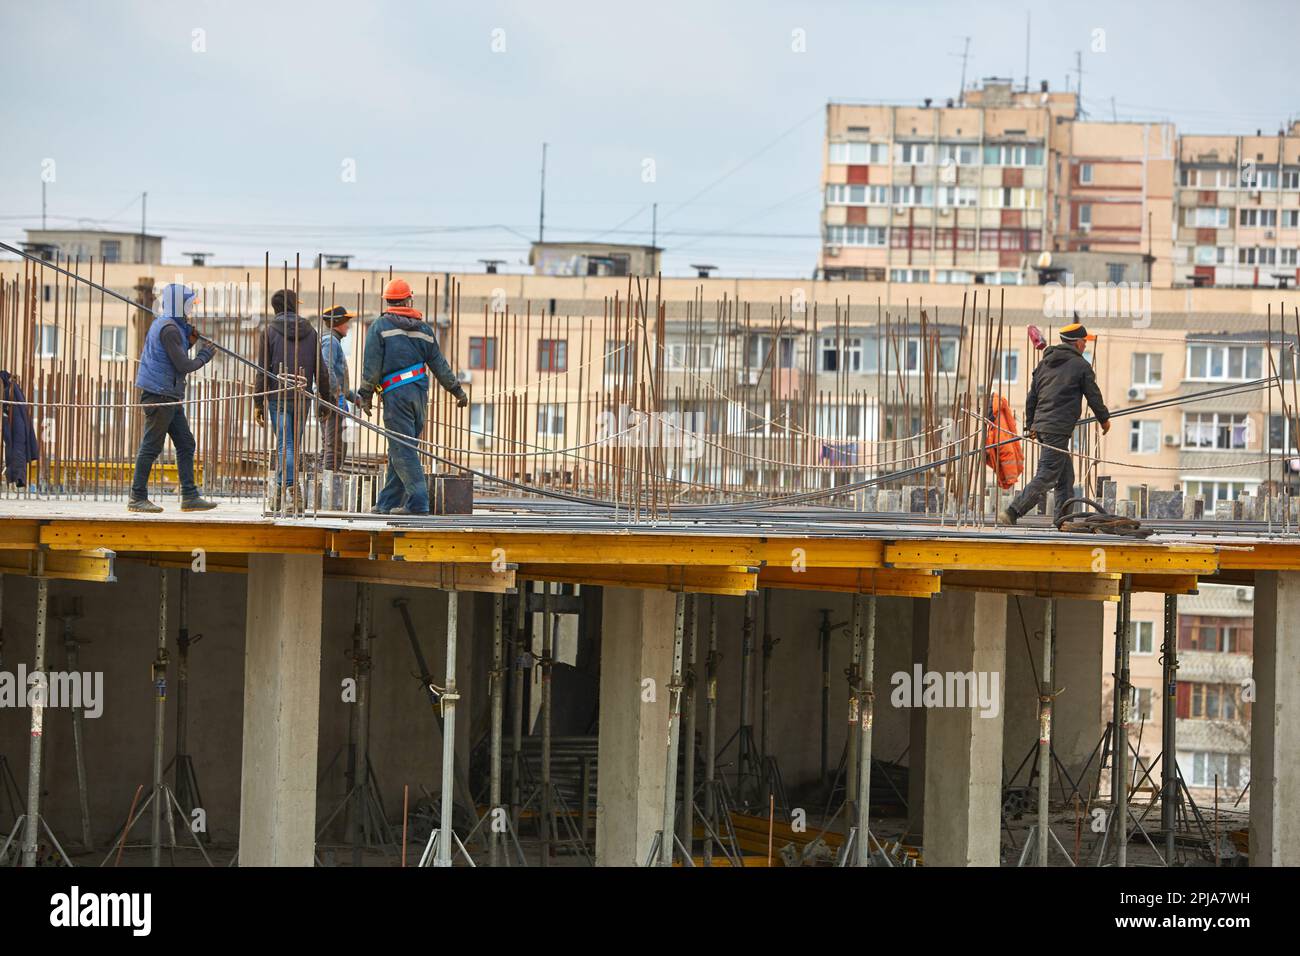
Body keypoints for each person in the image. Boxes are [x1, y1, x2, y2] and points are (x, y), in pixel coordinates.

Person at [356, 278, 467, 515]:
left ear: (387, 301)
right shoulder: (425, 331)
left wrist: (365, 395)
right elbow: (440, 365)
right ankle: (387, 503)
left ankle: (418, 502)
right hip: (419, 395)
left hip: (396, 396)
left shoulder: (380, 326)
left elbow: (371, 366)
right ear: (409, 299)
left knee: (402, 449)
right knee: (400, 447)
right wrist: (456, 390)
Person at [999, 322, 1111, 525]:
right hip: (1057, 428)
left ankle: (1063, 519)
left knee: (1065, 477)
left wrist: (1031, 425)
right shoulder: (1081, 366)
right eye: (1084, 342)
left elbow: (1031, 397)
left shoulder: (1044, 364)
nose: (1085, 346)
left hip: (1043, 427)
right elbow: (1093, 395)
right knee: (1047, 475)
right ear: (1077, 343)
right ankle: (1013, 511)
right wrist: (1104, 419)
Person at [128, 283, 218, 513]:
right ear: (179, 305)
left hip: (169, 394)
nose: (191, 309)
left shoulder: (172, 326)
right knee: (151, 446)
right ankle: (137, 497)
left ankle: (189, 495)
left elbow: (172, 357)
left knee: (186, 443)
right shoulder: (168, 328)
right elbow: (183, 365)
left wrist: (188, 341)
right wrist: (204, 355)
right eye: (188, 305)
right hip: (159, 395)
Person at [252, 289, 332, 512]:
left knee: (285, 445)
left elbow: (262, 370)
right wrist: (324, 400)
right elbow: (321, 371)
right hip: (302, 397)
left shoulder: (268, 332)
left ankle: (290, 489)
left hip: (278, 396)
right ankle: (280, 493)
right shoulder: (312, 332)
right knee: (290, 446)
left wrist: (258, 402)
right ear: (293, 306)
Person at [318, 305, 366, 471]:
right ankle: (328, 487)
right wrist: (336, 397)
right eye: (346, 322)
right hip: (330, 402)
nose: (348, 326)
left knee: (336, 445)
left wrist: (354, 398)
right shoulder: (329, 341)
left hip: (333, 399)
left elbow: (337, 380)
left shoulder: (333, 342)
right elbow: (326, 370)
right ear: (337, 323)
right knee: (334, 447)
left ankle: (327, 484)